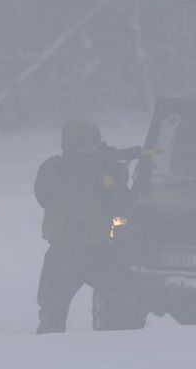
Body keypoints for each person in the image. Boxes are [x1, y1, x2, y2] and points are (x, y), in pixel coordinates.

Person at [33, 119, 135, 333]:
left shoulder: (54, 167)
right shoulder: (101, 168)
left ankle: (46, 357)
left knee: (52, 315)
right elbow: (122, 204)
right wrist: (109, 171)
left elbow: (44, 196)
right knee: (118, 314)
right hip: (98, 251)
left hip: (66, 251)